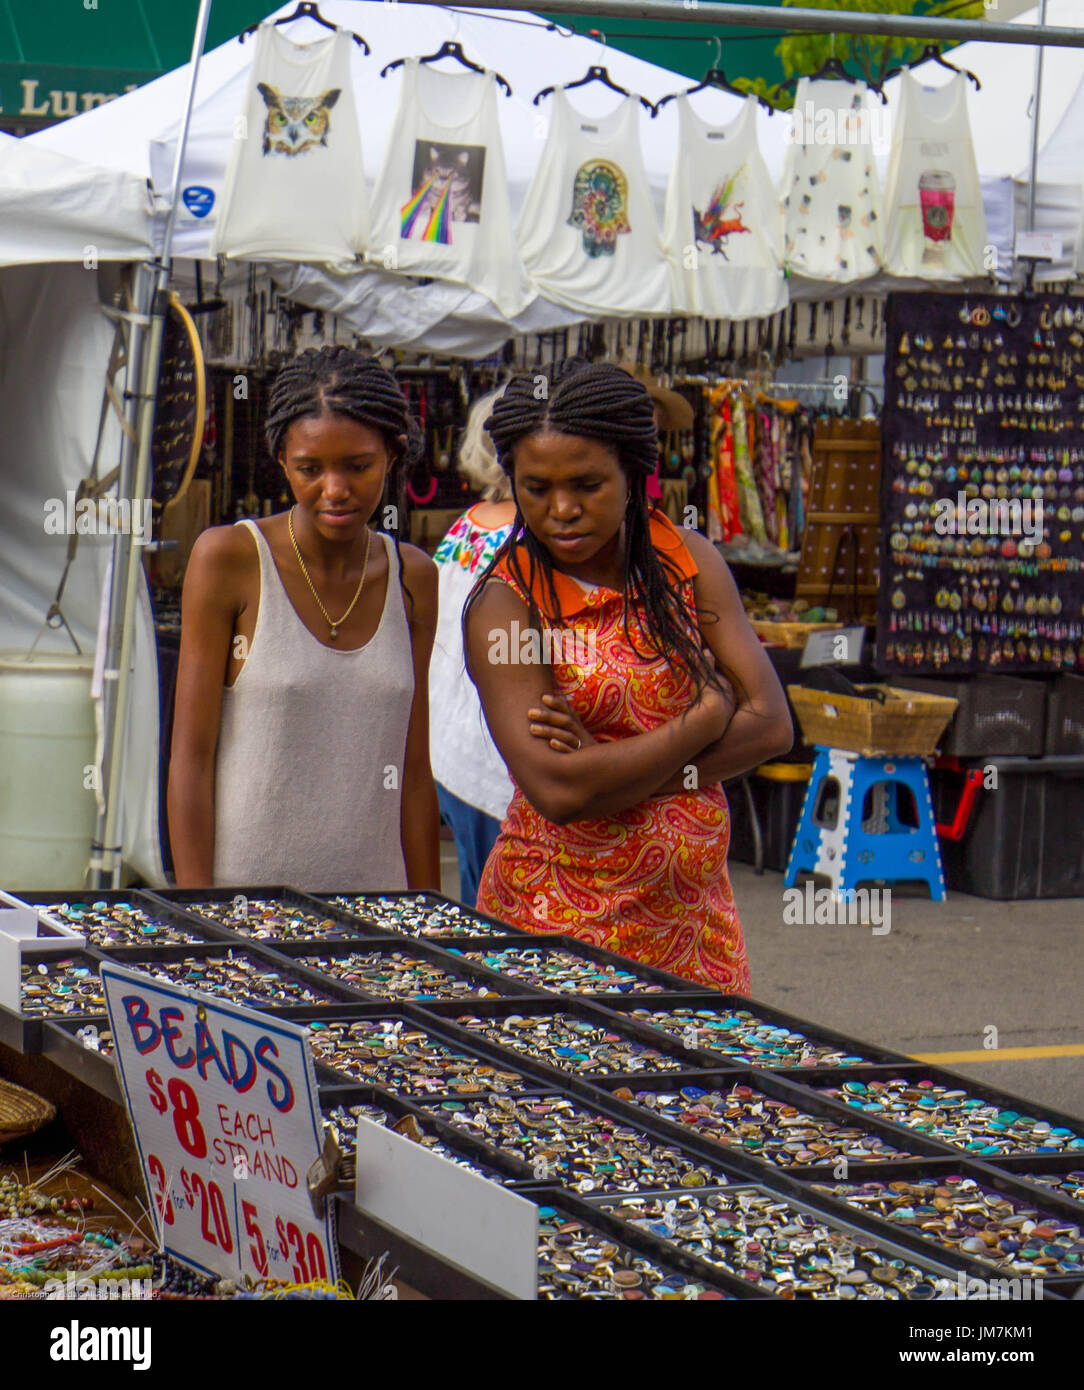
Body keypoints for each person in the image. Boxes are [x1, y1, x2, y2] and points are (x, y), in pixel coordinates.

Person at [464, 360, 792, 992]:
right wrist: (704, 718)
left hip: (695, 936)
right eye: (535, 488)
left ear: (633, 473)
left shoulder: (686, 559)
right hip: (556, 940)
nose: (561, 510)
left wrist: (609, 771)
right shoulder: (506, 605)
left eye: (588, 484)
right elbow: (560, 793)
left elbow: (773, 725)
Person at [167, 346, 440, 893]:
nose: (334, 490)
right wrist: (202, 920)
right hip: (246, 914)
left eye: (358, 467)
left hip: (376, 918)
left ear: (393, 455)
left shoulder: (414, 578)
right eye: (310, 469)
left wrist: (429, 915)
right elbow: (190, 761)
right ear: (281, 460)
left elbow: (411, 772)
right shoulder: (230, 559)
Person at [429, 389, 516, 906]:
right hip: (493, 752)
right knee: (504, 913)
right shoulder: (527, 534)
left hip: (456, 746)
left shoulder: (468, 523)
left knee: (480, 897)